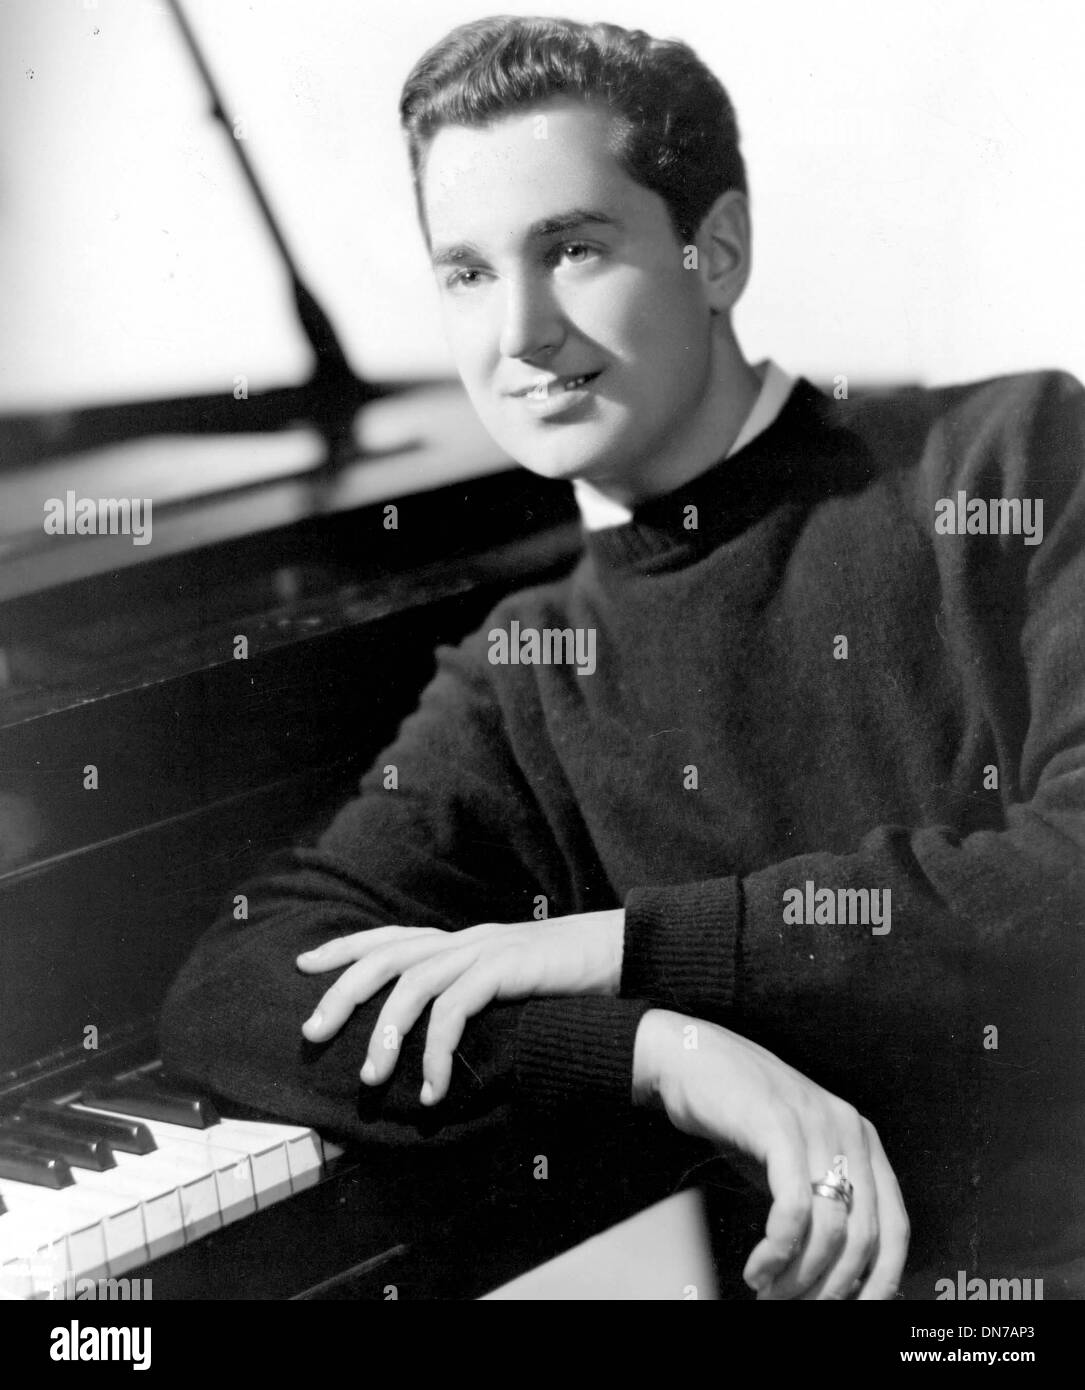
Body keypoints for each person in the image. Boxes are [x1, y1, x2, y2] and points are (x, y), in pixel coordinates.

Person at [160, 15, 1085, 1300]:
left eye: (572, 248)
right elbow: (242, 982)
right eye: (467, 275)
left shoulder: (1014, 457)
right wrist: (664, 1051)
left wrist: (630, 951)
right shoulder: (528, 666)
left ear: (717, 250)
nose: (521, 332)